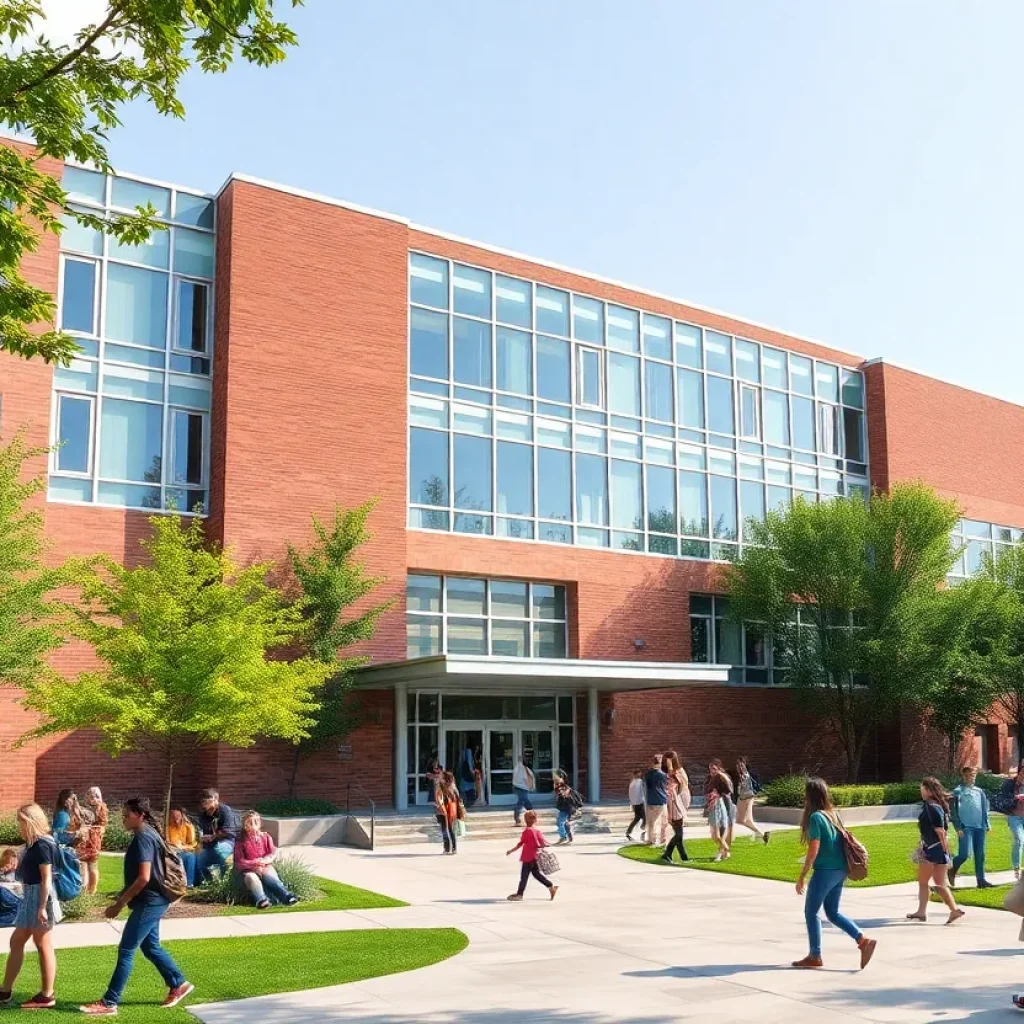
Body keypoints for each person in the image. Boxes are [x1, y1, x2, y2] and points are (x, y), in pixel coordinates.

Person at [79, 798, 193, 1016]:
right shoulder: (148, 833)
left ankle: (109, 1002)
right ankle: (178, 983)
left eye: (127, 814)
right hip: (154, 899)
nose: (123, 817)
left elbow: (143, 878)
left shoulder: (143, 837)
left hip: (151, 901)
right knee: (151, 947)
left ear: (140, 815)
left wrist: (118, 904)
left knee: (126, 950)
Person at [792, 778, 876, 970]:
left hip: (825, 871)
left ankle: (815, 955)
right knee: (832, 912)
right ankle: (863, 941)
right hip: (841, 869)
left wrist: (802, 875)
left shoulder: (815, 818)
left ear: (809, 796)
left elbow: (814, 849)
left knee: (811, 912)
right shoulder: (832, 815)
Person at [0, 804, 62, 1010]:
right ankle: (5, 990)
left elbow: (46, 879)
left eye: (21, 822)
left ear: (30, 821)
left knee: (43, 943)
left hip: (40, 897)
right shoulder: (34, 844)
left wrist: (42, 907)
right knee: (17, 940)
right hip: (31, 896)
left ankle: (47, 995)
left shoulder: (44, 844)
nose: (19, 826)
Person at [907, 776, 964, 925]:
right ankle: (954, 910)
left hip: (931, 850)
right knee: (940, 883)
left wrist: (945, 850)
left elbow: (940, 831)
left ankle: (921, 912)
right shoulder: (939, 805)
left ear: (928, 790)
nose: (921, 791)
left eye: (922, 788)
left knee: (923, 882)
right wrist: (946, 853)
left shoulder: (930, 806)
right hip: (939, 849)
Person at [233, 811, 299, 909]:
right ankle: (262, 900)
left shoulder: (265, 837)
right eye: (249, 823)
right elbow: (239, 862)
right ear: (244, 824)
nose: (252, 826)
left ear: (259, 824)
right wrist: (255, 863)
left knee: (267, 873)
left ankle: (286, 896)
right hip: (246, 871)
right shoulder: (240, 840)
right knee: (252, 877)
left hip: (264, 866)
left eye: (255, 822)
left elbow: (272, 852)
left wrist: (264, 861)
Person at [950, 765, 992, 889]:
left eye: (973, 775)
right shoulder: (958, 791)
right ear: (963, 776)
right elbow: (953, 812)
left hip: (980, 827)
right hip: (965, 827)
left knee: (980, 854)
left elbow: (985, 809)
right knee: (964, 855)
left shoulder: (979, 791)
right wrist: (958, 827)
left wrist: (987, 824)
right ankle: (952, 869)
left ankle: (981, 880)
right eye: (968, 775)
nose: (971, 777)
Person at [506, 810, 558, 902]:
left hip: (528, 857)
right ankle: (551, 886)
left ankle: (519, 894)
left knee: (524, 876)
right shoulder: (537, 830)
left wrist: (511, 851)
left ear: (526, 820)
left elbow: (521, 843)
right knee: (536, 874)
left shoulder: (527, 831)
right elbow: (542, 842)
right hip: (534, 856)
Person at [196, 788, 240, 883]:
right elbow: (201, 831)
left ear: (215, 799)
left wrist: (213, 836)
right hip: (210, 844)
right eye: (202, 799)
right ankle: (209, 883)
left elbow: (228, 832)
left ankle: (224, 882)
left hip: (227, 842)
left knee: (220, 849)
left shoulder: (224, 810)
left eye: (206, 799)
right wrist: (203, 838)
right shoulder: (204, 815)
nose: (203, 801)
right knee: (200, 862)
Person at [79, 786, 109, 895]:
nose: (92, 798)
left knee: (91, 864)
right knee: (85, 864)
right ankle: (87, 888)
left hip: (92, 839)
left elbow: (102, 825)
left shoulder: (101, 808)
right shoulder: (86, 808)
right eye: (90, 795)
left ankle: (91, 889)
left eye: (94, 796)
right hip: (87, 839)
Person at [733, 758, 770, 844]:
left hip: (747, 798)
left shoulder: (744, 775)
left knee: (747, 820)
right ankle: (760, 834)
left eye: (741, 765)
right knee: (740, 821)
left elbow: (741, 788)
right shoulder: (741, 775)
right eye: (738, 765)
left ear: (744, 765)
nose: (739, 767)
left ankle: (761, 834)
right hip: (742, 798)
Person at [662, 752, 690, 864]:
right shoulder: (665, 774)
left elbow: (683, 785)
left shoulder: (679, 772)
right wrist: (669, 769)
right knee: (678, 833)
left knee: (679, 833)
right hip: (672, 804)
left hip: (679, 803)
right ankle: (668, 854)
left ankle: (683, 857)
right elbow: (667, 788)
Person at [705, 759, 734, 862]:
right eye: (710, 768)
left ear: (718, 767)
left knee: (721, 832)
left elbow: (729, 791)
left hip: (723, 805)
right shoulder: (711, 778)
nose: (711, 770)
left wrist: (718, 795)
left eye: (713, 768)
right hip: (715, 805)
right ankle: (724, 851)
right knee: (715, 835)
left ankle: (724, 851)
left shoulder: (722, 777)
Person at [166, 807, 199, 888]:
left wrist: (184, 847)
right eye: (173, 815)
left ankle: (189, 884)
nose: (175, 817)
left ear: (182, 816)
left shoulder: (188, 827)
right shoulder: (168, 828)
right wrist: (175, 847)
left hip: (185, 850)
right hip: (173, 851)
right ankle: (183, 883)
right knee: (184, 858)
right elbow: (167, 842)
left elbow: (193, 843)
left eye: (177, 815)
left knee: (191, 856)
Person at [644, 753, 669, 846]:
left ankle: (650, 839)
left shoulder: (647, 774)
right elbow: (665, 786)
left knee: (650, 822)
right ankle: (655, 840)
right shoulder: (662, 774)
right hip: (660, 800)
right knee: (658, 822)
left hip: (650, 799)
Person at [433, 770, 457, 855]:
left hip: (443, 810)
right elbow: (456, 798)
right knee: (451, 829)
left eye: (441, 775)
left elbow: (438, 798)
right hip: (451, 809)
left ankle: (446, 849)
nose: (439, 776)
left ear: (444, 778)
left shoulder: (440, 786)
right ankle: (454, 848)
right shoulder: (452, 786)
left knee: (444, 829)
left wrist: (439, 806)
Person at [1009, 766, 1024, 882]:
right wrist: (1015, 798)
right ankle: (1016, 869)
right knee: (1019, 840)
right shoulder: (1010, 784)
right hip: (1014, 817)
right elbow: (1003, 798)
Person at [512, 755, 535, 827]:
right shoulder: (523, 769)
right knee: (524, 803)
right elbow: (526, 778)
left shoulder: (517, 768)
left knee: (522, 802)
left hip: (518, 787)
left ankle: (519, 819)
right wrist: (530, 786)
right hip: (523, 787)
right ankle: (531, 817)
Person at [554, 776, 576, 845]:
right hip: (564, 809)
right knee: (563, 823)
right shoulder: (559, 788)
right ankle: (569, 834)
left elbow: (565, 795)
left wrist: (562, 793)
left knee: (560, 822)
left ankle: (563, 837)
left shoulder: (565, 788)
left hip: (566, 809)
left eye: (557, 781)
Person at [626, 768, 646, 842]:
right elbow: (641, 793)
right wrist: (643, 801)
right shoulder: (639, 782)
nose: (639, 775)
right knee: (644, 818)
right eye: (638, 774)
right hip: (639, 803)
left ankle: (629, 831)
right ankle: (643, 830)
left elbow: (631, 794)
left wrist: (632, 803)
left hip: (635, 803)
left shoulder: (632, 783)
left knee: (638, 818)